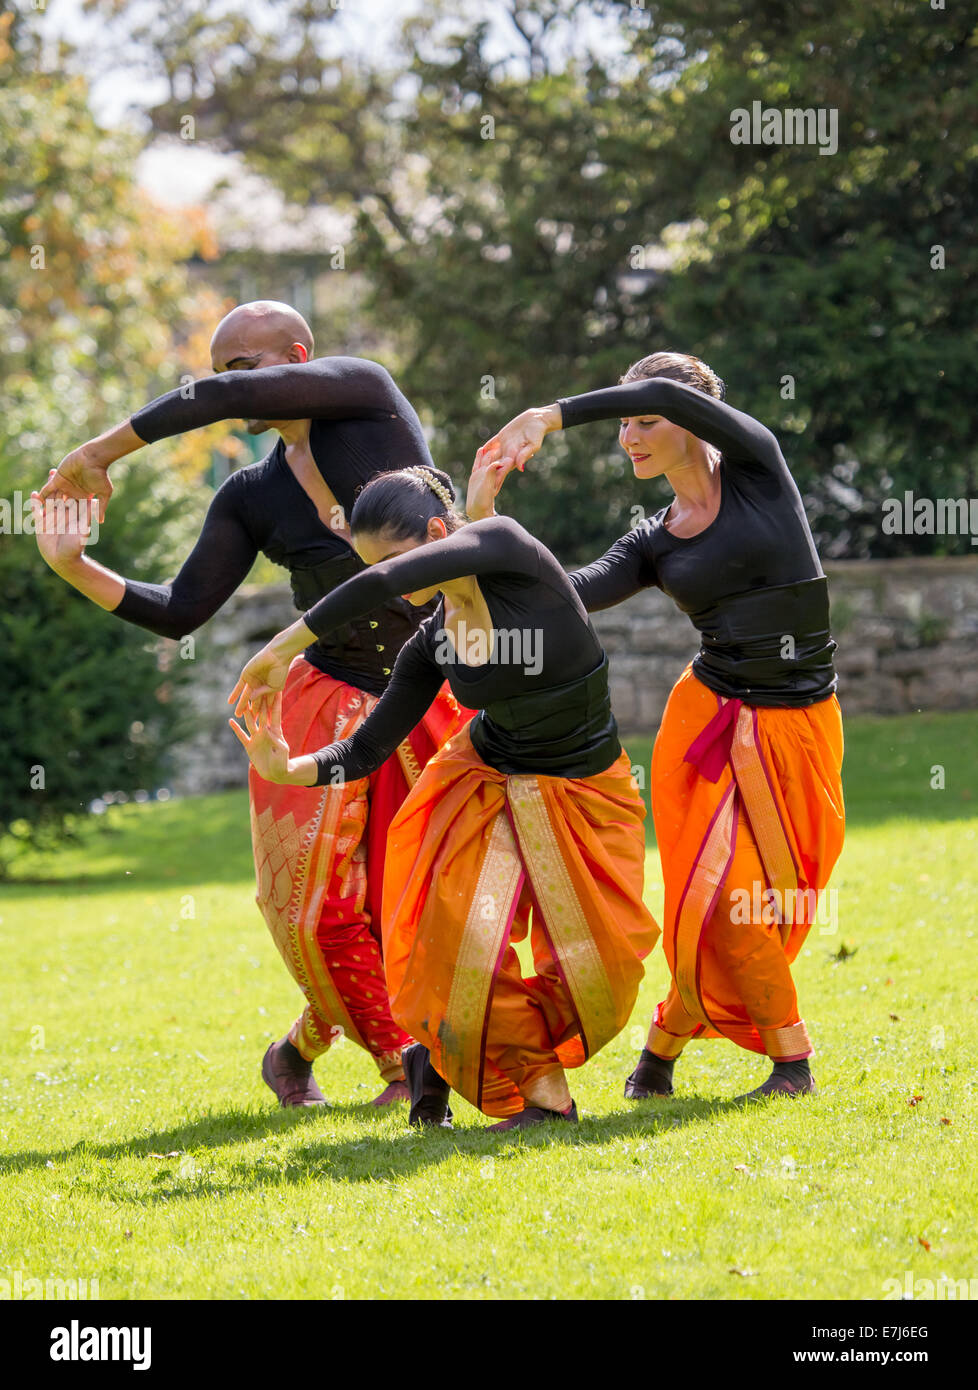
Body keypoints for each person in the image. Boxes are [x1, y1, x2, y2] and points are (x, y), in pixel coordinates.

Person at [33, 301, 470, 1108]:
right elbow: (179, 610)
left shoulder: (368, 399)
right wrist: (74, 567)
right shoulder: (250, 494)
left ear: (299, 357)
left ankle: (296, 1053)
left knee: (418, 895)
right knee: (317, 907)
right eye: (220, 371)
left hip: (435, 684)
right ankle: (398, 1067)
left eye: (245, 368)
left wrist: (100, 451)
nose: (229, 387)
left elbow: (216, 403)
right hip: (327, 695)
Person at [228, 466, 660, 1129]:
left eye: (401, 562)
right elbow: (366, 749)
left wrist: (282, 647)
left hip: (584, 787)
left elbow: (379, 582)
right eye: (377, 566)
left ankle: (438, 1058)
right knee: (460, 944)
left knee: (596, 979)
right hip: (483, 781)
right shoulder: (432, 639)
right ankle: (543, 1099)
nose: (394, 587)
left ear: (438, 533)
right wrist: (292, 770)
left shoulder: (507, 547)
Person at [469, 351, 845, 1101]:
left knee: (771, 897)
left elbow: (646, 393)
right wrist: (484, 522)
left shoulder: (758, 468)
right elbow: (563, 594)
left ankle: (662, 1051)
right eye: (626, 423)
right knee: (713, 896)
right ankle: (791, 1062)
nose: (628, 436)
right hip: (706, 722)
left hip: (801, 721)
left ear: (693, 418)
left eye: (646, 420)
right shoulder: (654, 538)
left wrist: (550, 414)